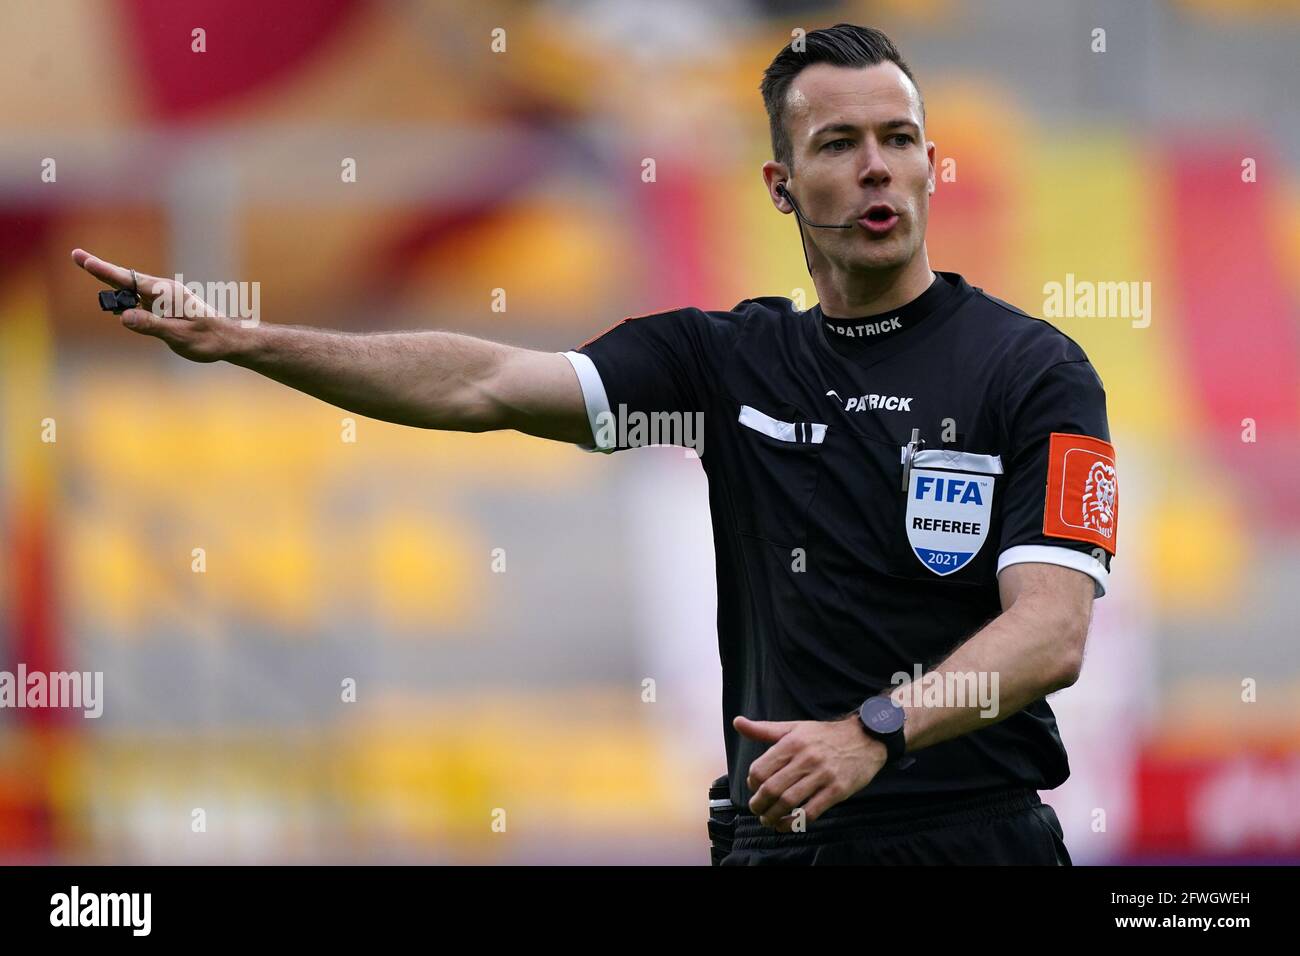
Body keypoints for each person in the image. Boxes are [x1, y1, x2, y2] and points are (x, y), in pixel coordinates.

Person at [72, 22, 1118, 865]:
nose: (877, 167)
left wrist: (872, 731)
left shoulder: (1030, 371)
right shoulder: (723, 366)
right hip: (781, 843)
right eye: (838, 145)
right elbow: (480, 382)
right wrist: (250, 340)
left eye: (897, 139)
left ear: (934, 166)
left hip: (971, 838)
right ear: (781, 185)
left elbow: (1050, 633)